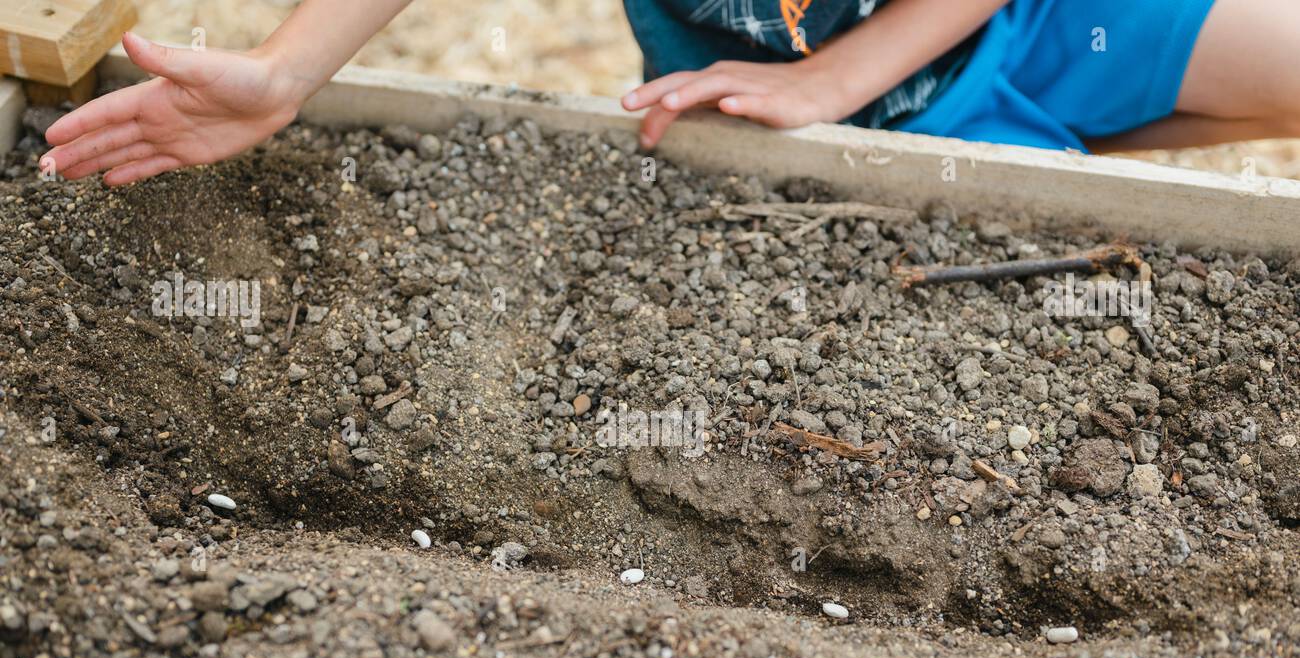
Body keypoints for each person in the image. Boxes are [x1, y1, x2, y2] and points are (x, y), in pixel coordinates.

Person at [40, 0, 1300, 186]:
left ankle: (1060, 130)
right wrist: (281, 75)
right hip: (789, 122)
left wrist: (833, 74)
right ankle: (1054, 149)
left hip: (1032, 28)